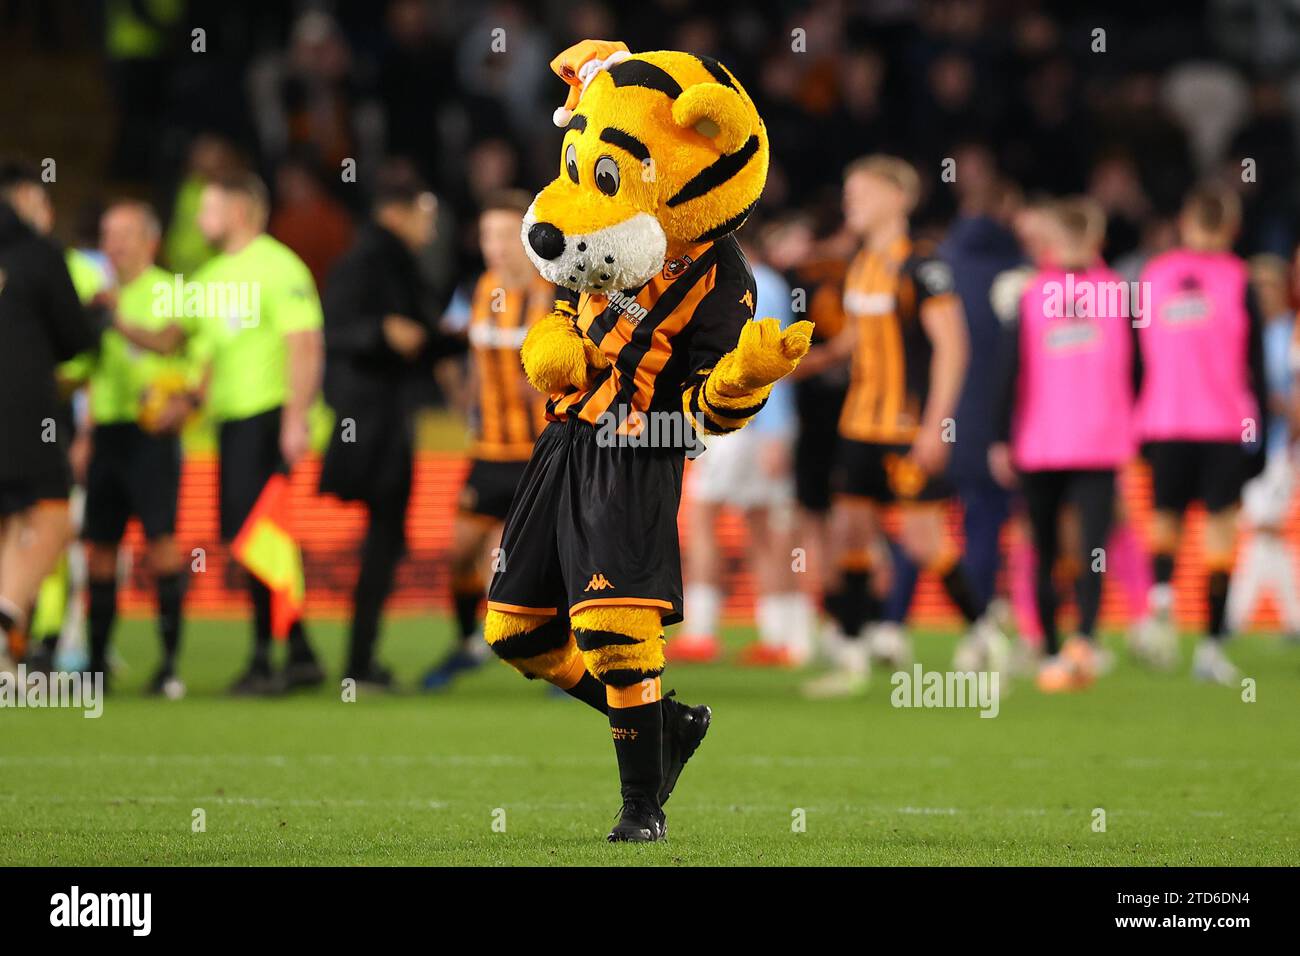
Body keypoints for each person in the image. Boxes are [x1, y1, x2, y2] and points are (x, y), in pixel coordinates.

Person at [797, 155, 1000, 698]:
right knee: (850, 533)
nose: (850, 202)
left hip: (907, 427)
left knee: (922, 539)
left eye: (860, 192)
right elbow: (853, 342)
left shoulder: (924, 267)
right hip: (859, 425)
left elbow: (953, 348)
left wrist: (937, 427)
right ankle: (854, 654)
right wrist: (801, 361)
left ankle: (982, 629)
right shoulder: (862, 263)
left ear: (896, 197)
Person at [989, 198, 1137, 692]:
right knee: (1092, 547)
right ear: (1098, 239)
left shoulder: (1032, 294)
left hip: (1041, 442)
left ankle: (1053, 649)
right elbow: (1139, 367)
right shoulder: (1118, 294)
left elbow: (1007, 372)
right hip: (1097, 441)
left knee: (1047, 548)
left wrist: (999, 438)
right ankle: (1083, 642)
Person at [191, 171, 327, 694]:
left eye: (209, 207)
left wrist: (296, 418)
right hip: (231, 423)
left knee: (260, 538)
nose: (201, 219)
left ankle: (266, 657)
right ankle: (295, 651)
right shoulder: (208, 276)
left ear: (240, 210)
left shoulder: (278, 265)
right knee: (251, 540)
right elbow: (203, 357)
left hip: (269, 419)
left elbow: (305, 345)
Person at [318, 168, 454, 688]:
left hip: (383, 417)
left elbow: (419, 339)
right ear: (394, 212)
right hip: (371, 421)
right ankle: (354, 662)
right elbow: (335, 330)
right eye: (424, 213)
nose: (431, 226)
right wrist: (379, 331)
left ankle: (350, 658)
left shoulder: (392, 261)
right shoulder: (366, 261)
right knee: (383, 537)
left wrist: (474, 338)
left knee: (385, 538)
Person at [1132, 185, 1269, 683]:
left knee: (1164, 520)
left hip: (1164, 421)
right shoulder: (1239, 279)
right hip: (1224, 426)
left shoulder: (1154, 275)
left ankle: (1162, 601)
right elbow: (1254, 366)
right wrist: (1260, 437)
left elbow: (1135, 359)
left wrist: (1137, 424)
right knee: (1219, 534)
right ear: (1231, 228)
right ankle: (1210, 648)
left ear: (1185, 224)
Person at [420, 190, 555, 691]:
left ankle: (562, 660)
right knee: (458, 553)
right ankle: (467, 645)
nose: (493, 246)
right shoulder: (476, 291)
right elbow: (447, 345)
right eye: (486, 235)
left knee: (547, 564)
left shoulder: (555, 294)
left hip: (539, 455)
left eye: (504, 235)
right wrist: (461, 394)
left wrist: (543, 388)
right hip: (487, 453)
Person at [671, 237, 814, 667]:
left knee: (705, 519)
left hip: (740, 425)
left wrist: (773, 430)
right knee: (762, 528)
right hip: (754, 426)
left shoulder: (741, 281)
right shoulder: (765, 281)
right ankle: (781, 635)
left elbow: (772, 363)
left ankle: (701, 631)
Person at [80, 201, 200, 696]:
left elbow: (169, 343)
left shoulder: (173, 292)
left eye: (123, 233)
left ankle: (169, 667)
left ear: (149, 240)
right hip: (108, 432)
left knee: (162, 546)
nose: (112, 243)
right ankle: (96, 667)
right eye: (107, 233)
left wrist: (115, 321)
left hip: (153, 436)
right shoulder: (98, 301)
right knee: (100, 550)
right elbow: (84, 369)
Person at [0, 159, 100, 672]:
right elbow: (75, 339)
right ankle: (6, 617)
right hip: (22, 414)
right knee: (53, 516)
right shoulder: (37, 254)